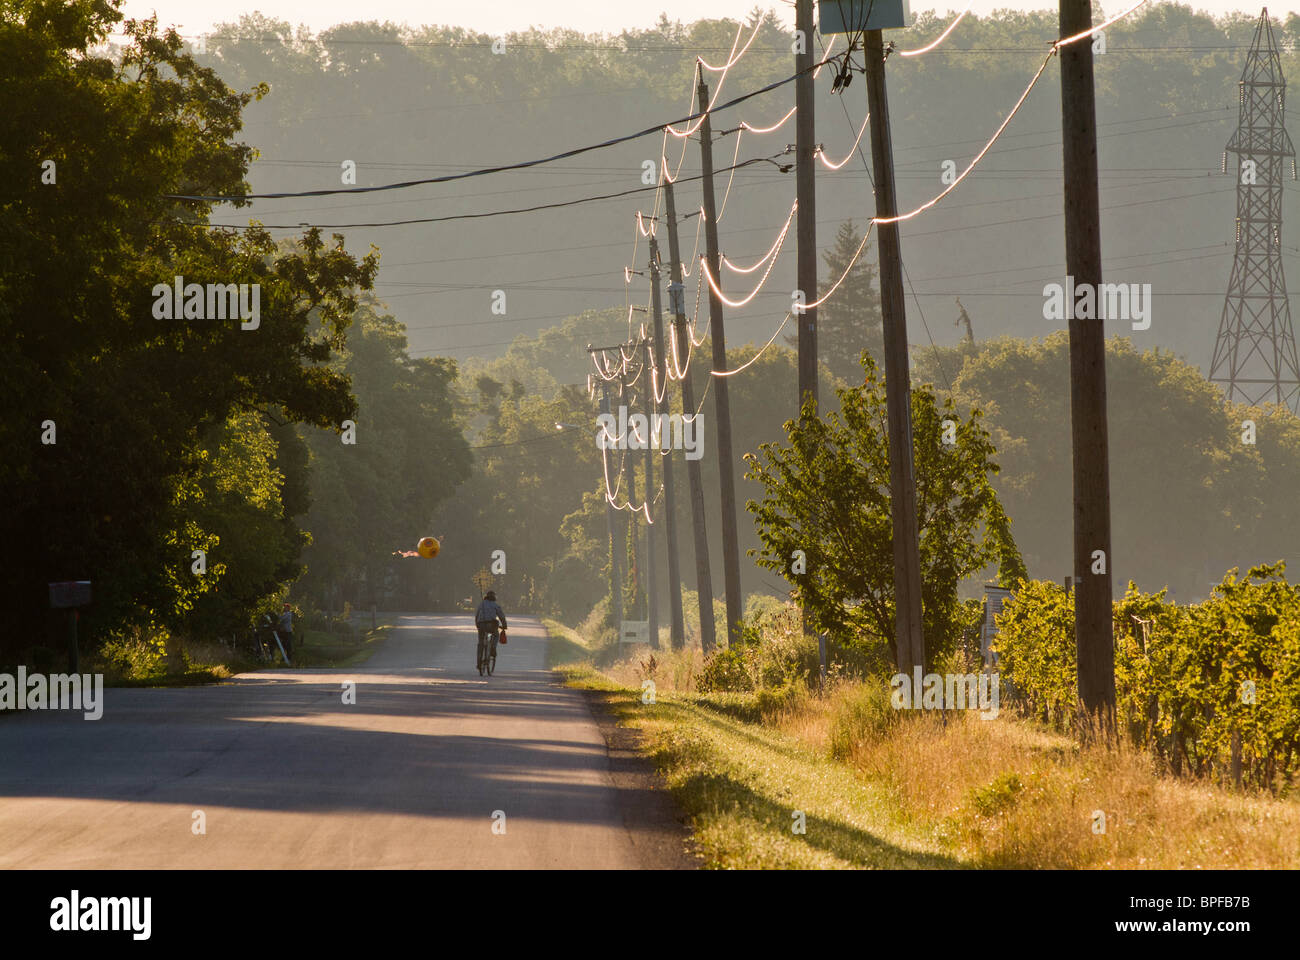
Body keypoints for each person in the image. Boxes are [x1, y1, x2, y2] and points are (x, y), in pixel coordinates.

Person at [474, 591, 507, 670]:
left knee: (481, 643)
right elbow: (501, 616)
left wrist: (477, 625)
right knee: (496, 635)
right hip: (491, 625)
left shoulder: (481, 604)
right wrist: (504, 625)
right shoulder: (495, 605)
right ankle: (493, 647)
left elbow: (477, 616)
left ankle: (479, 662)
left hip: (481, 625)